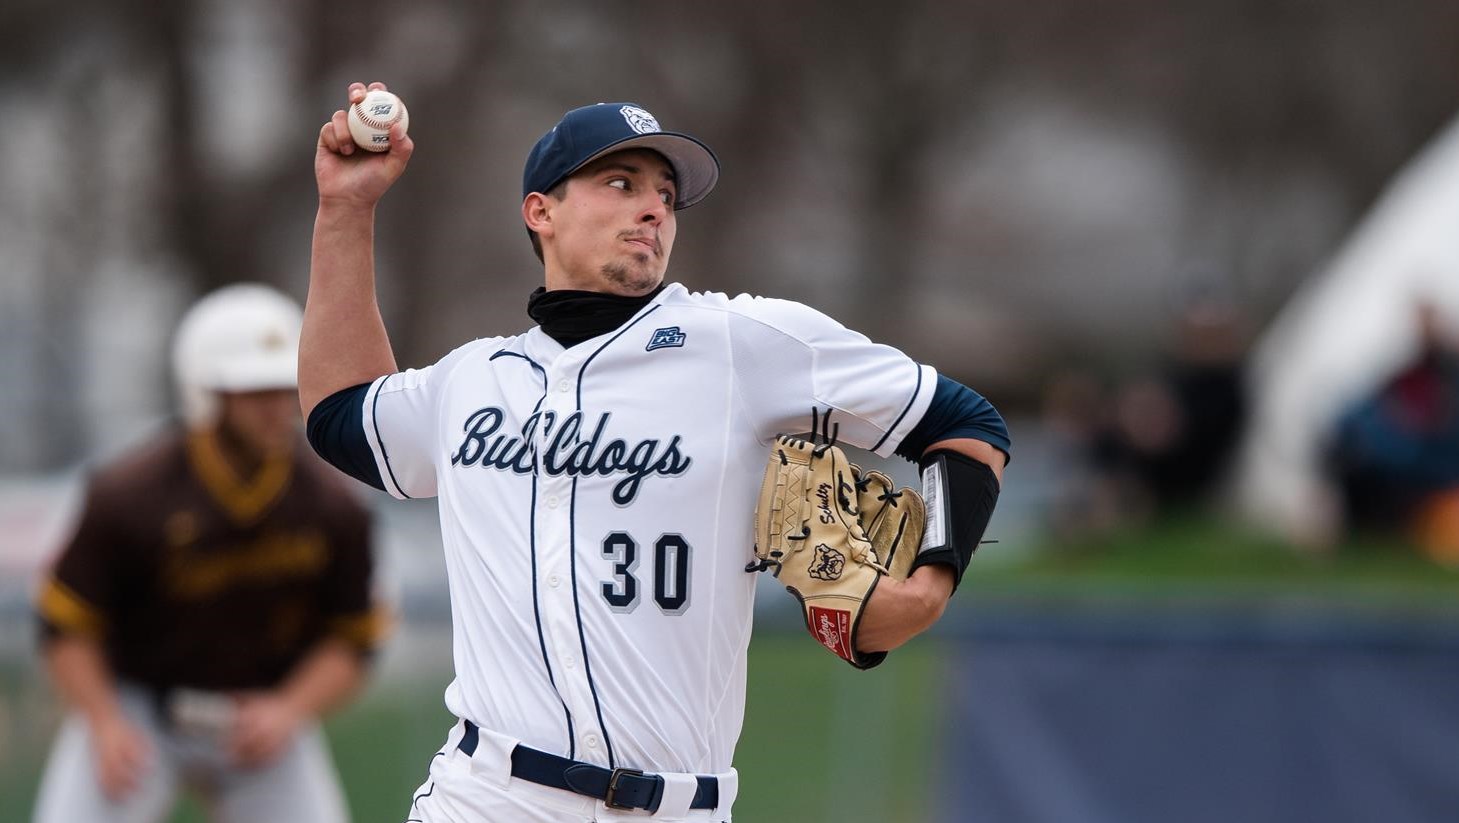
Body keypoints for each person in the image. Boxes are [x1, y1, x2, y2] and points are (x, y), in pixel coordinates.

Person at [303, 83, 1010, 822]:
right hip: (487, 795)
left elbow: (965, 422)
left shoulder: (740, 344)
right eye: (621, 182)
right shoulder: (473, 380)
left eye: (666, 195)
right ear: (540, 211)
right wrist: (346, 209)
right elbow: (339, 412)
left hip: (678, 806)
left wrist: (929, 585)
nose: (653, 208)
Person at [31, 283, 388, 823]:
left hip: (262, 712)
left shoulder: (333, 506)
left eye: (280, 386)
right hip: (138, 708)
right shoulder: (128, 494)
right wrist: (103, 722)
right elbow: (65, 627)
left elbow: (355, 638)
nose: (275, 407)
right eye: (252, 389)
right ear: (207, 392)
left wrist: (290, 709)